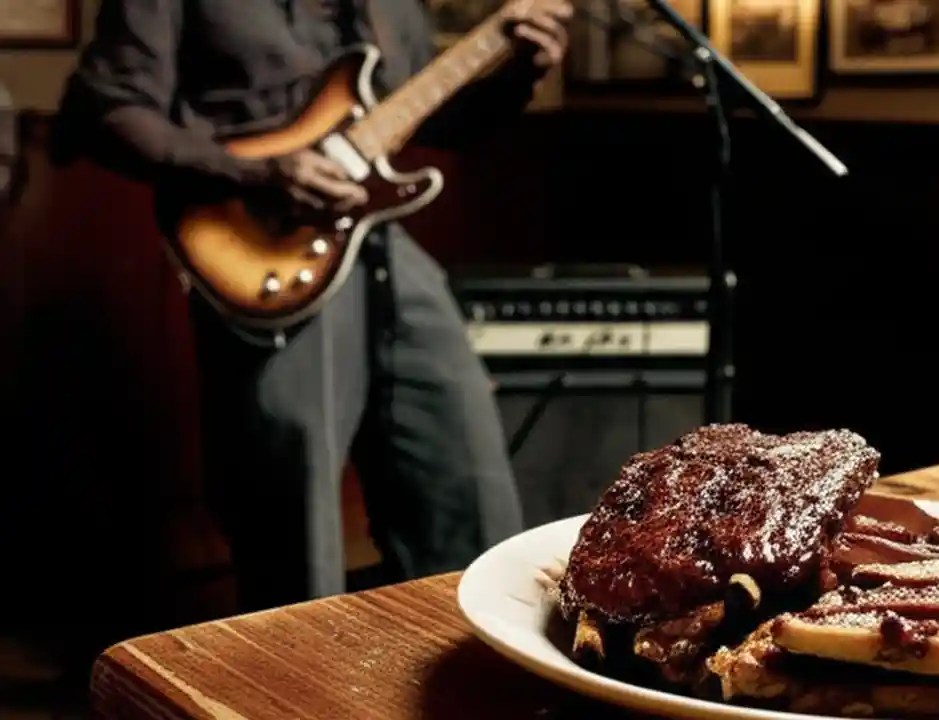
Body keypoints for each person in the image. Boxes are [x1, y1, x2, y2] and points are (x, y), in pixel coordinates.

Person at [51, 0, 571, 612]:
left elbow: (431, 121)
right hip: (258, 244)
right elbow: (107, 107)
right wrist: (263, 172)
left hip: (376, 239)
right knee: (296, 535)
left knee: (470, 494)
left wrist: (519, 71)